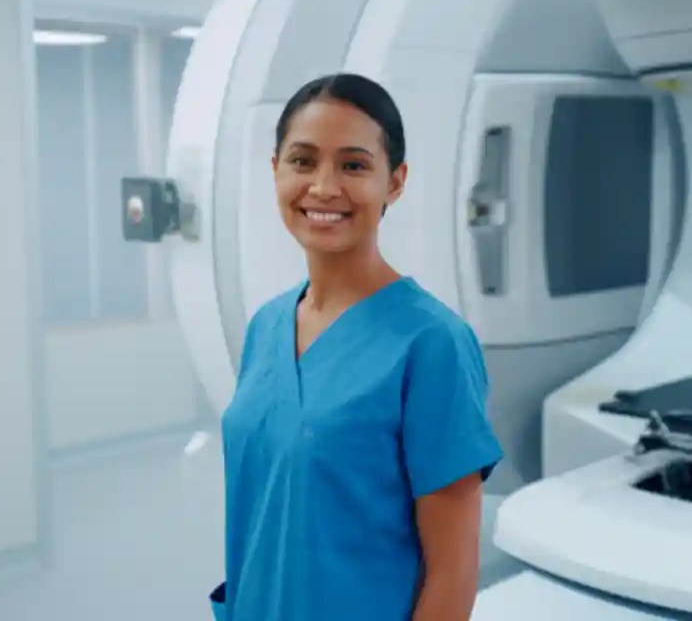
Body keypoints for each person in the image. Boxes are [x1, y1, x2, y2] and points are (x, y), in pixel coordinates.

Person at [209, 73, 504, 621]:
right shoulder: (268, 325)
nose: (323, 187)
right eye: (302, 160)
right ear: (275, 169)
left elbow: (453, 574)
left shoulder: (431, 344)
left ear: (395, 182)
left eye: (353, 165)